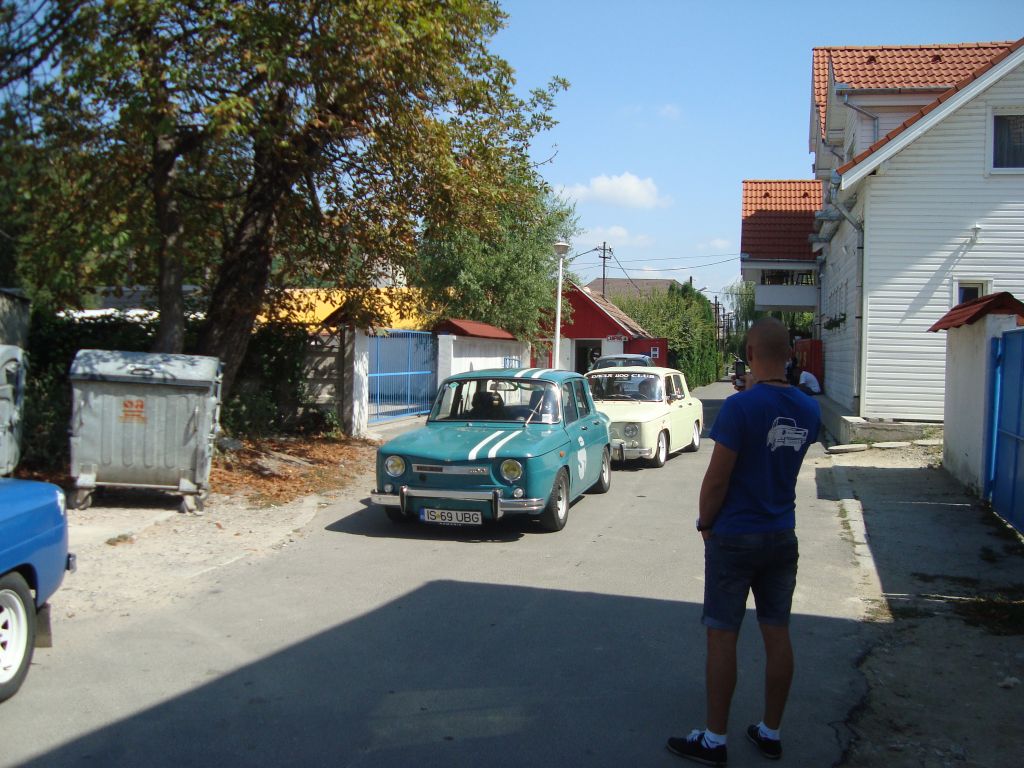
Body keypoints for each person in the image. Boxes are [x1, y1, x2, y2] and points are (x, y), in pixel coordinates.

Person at [667, 318, 821, 766]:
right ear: (790, 356)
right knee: (777, 634)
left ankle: (714, 740)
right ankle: (770, 732)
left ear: (750, 354)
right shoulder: (809, 411)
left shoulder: (740, 409)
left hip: (735, 537)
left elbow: (717, 481)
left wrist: (705, 524)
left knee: (722, 637)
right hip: (781, 535)